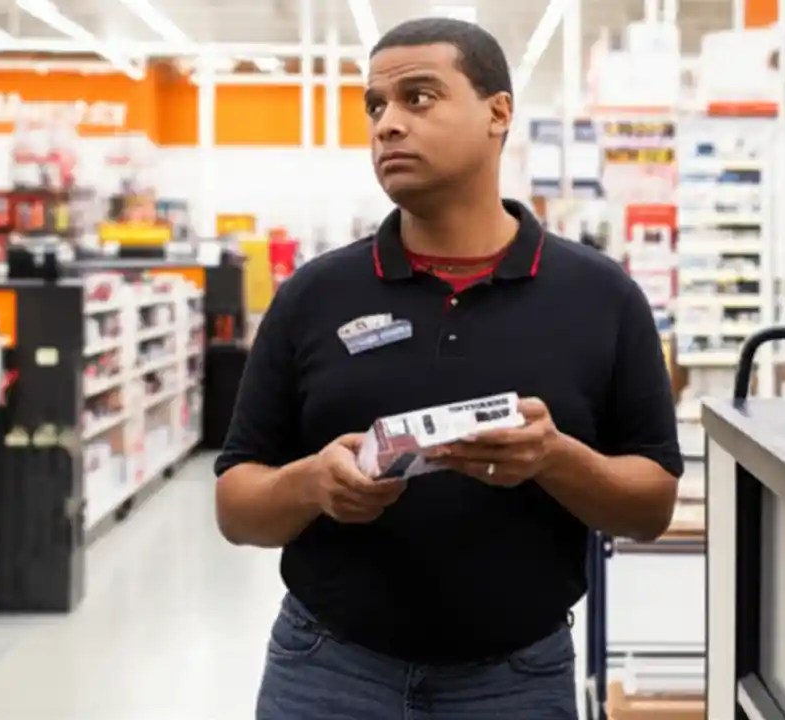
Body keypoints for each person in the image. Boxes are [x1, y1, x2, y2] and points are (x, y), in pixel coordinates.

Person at [215, 16, 683, 720]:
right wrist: (312, 482)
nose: (387, 125)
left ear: (499, 113)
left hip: (516, 682)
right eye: (376, 105)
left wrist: (554, 459)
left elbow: (651, 505)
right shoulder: (315, 295)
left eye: (419, 97)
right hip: (327, 672)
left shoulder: (601, 296)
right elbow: (235, 505)